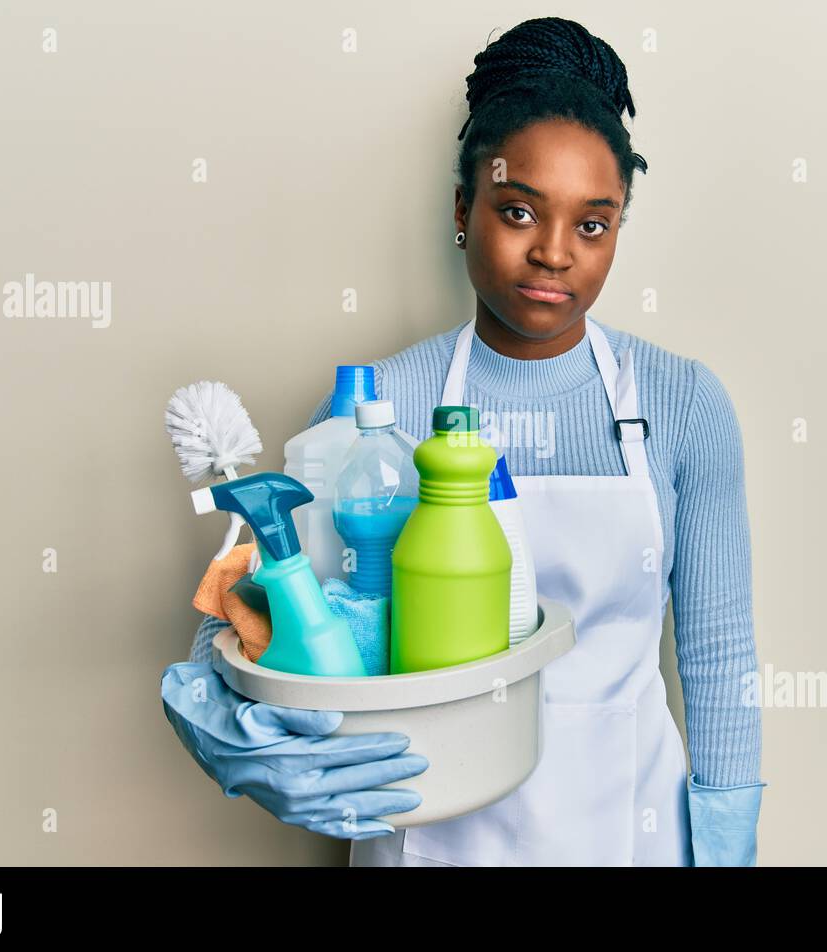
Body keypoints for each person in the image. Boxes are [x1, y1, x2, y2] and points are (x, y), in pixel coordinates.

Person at [162, 16, 765, 867]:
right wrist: (230, 740)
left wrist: (730, 851)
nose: (554, 253)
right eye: (519, 211)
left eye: (594, 224)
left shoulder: (683, 404)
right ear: (462, 209)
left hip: (632, 835)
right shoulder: (375, 409)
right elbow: (252, 614)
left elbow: (719, 656)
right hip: (428, 840)